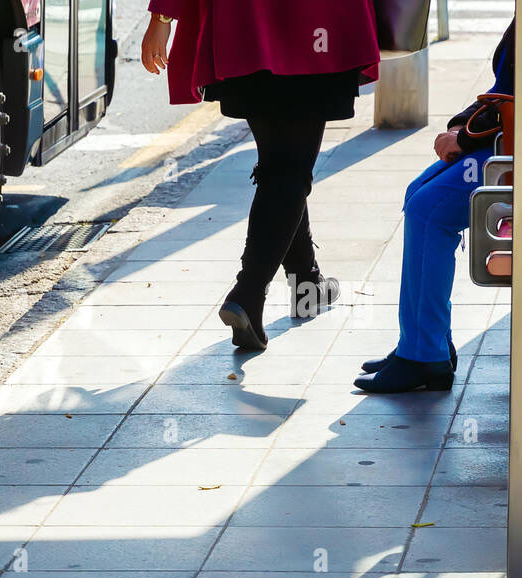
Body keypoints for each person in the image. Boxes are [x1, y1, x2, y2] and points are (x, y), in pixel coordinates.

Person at [142, 0, 380, 351]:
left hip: (245, 22)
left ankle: (307, 285)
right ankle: (248, 293)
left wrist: (162, 17)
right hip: (318, 22)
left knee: (280, 161)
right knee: (290, 169)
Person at [355, 19, 516, 394]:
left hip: (509, 142)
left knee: (429, 210)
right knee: (419, 194)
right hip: (504, 136)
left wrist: (465, 134)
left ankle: (424, 355)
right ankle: (426, 343)